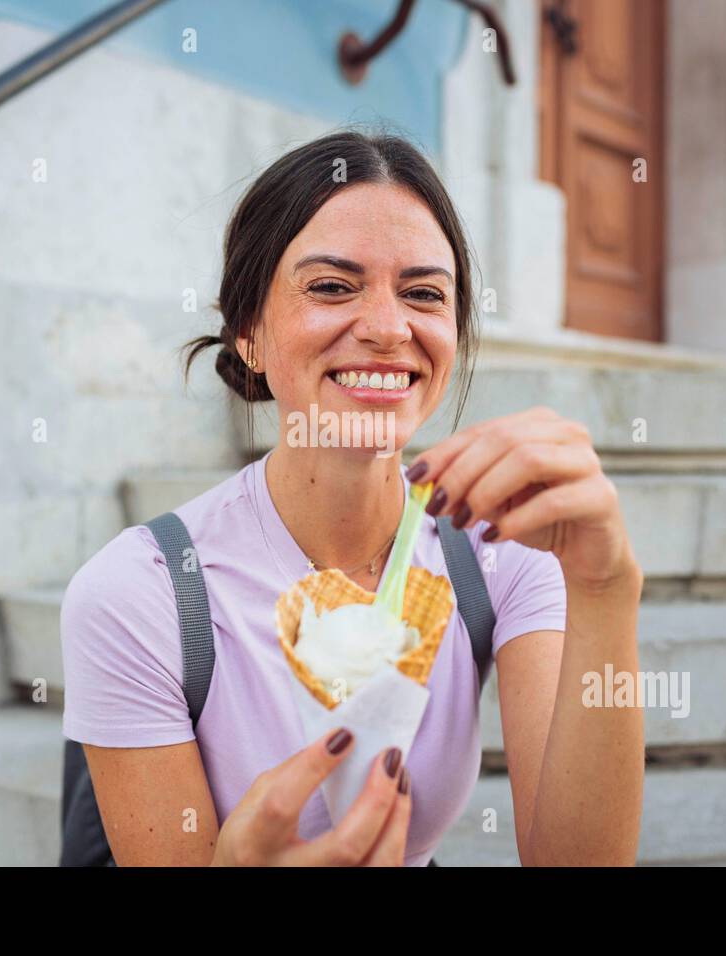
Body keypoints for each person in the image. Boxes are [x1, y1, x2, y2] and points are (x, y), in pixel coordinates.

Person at [60, 129, 644, 866]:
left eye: (423, 293)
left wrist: (605, 587)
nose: (387, 328)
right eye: (333, 286)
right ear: (248, 333)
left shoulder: (506, 554)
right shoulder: (137, 595)